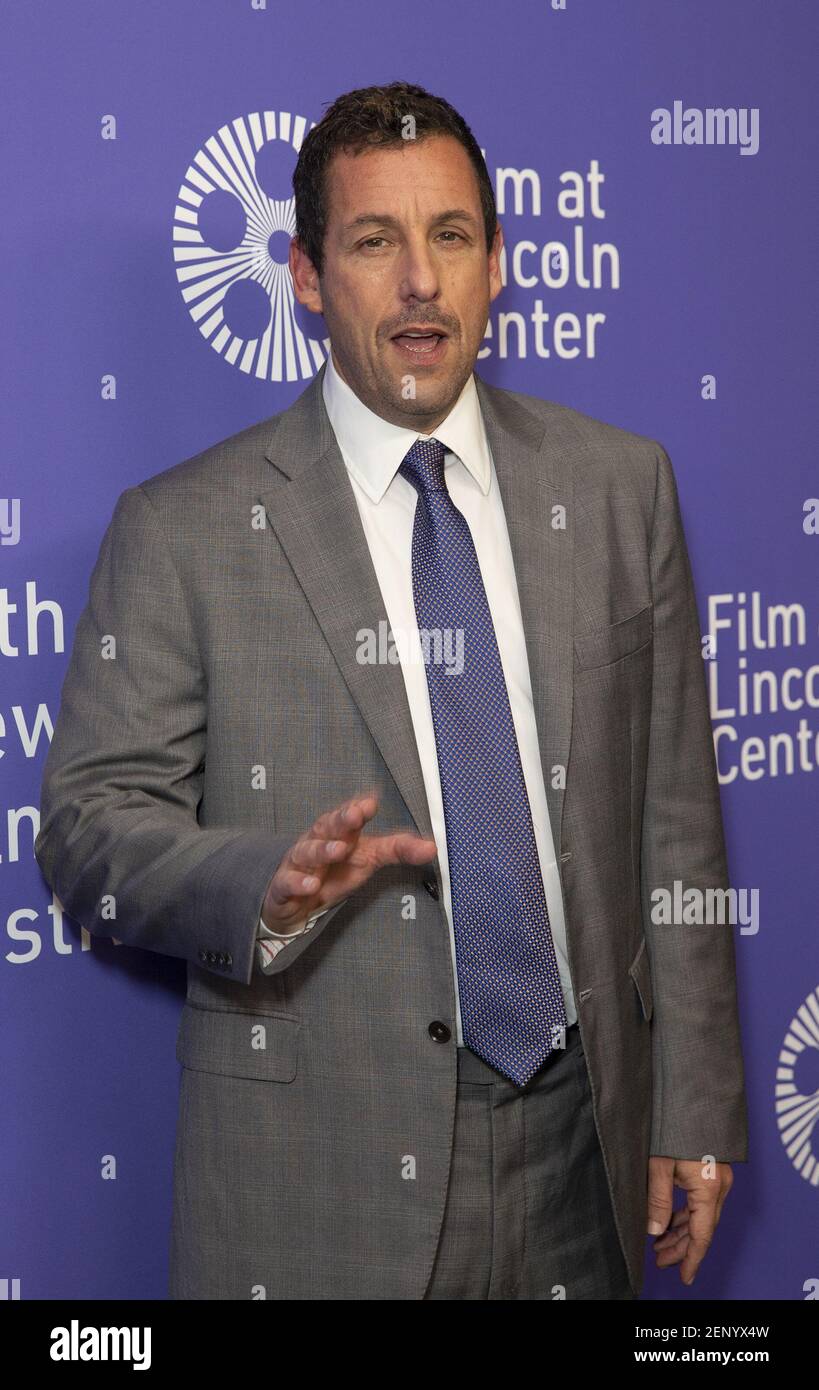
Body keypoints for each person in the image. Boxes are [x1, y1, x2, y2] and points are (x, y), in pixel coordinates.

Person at [35, 80, 748, 1301]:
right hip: (320, 1189)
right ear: (308, 278)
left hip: (586, 1152)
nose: (422, 280)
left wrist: (692, 1096)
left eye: (452, 236)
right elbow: (88, 828)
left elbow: (673, 819)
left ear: (500, 262)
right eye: (375, 242)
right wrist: (255, 882)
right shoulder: (185, 528)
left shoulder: (621, 486)